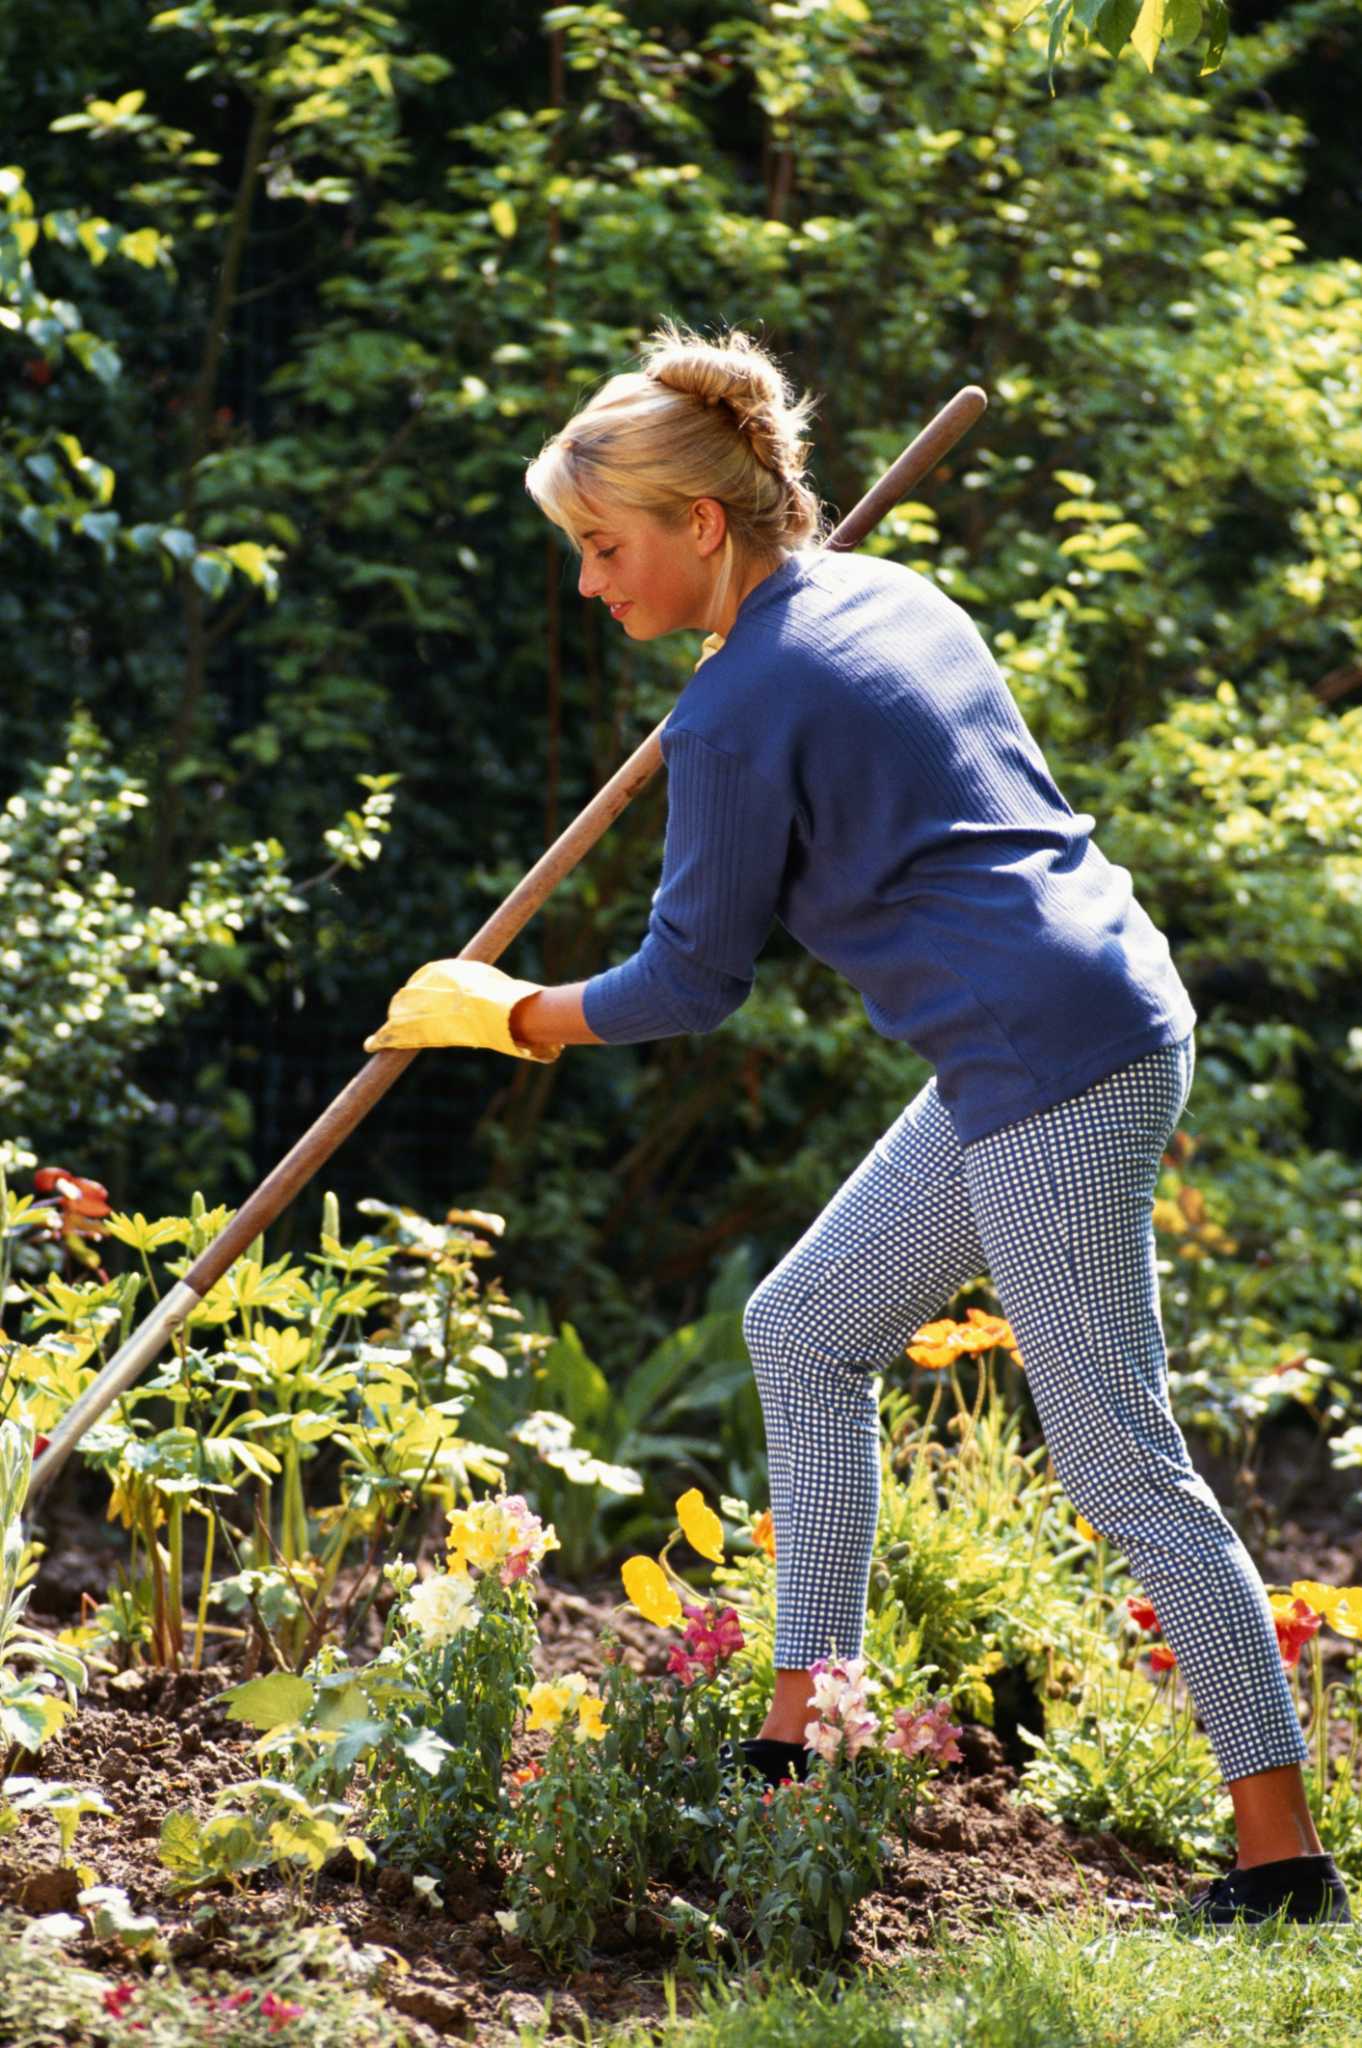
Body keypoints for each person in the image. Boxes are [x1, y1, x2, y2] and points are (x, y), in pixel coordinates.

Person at [365, 321, 1351, 1929]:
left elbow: (689, 982)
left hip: (1047, 1060)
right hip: (1073, 1012)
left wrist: (511, 1015)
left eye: (604, 550)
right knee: (806, 1326)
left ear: (700, 523)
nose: (589, 586)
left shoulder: (738, 708)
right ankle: (797, 1742)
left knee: (1118, 1461)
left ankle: (1282, 1861)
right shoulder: (879, 598)